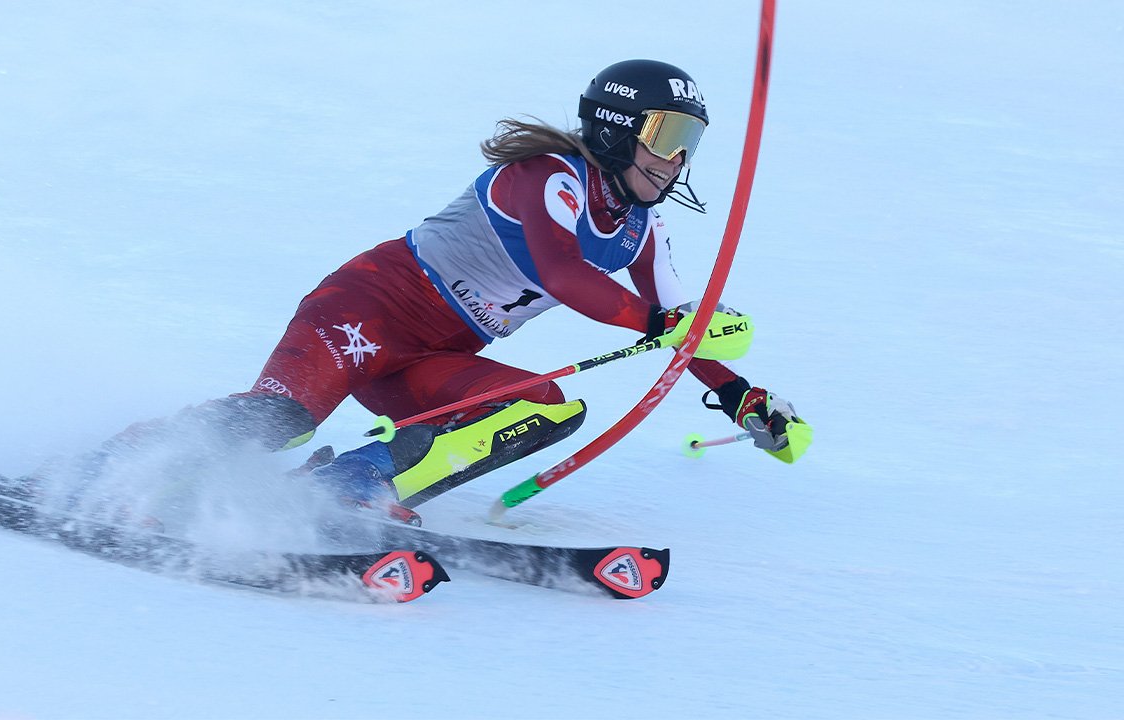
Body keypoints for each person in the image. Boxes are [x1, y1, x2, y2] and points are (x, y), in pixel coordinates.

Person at [70, 59, 809, 525]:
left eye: (692, 143)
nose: (677, 159)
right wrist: (659, 322)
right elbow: (563, 276)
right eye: (667, 132)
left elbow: (684, 327)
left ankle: (354, 485)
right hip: (366, 311)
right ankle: (117, 465)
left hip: (432, 356)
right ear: (617, 130)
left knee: (545, 407)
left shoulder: (640, 228)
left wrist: (742, 394)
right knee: (281, 419)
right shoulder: (548, 175)